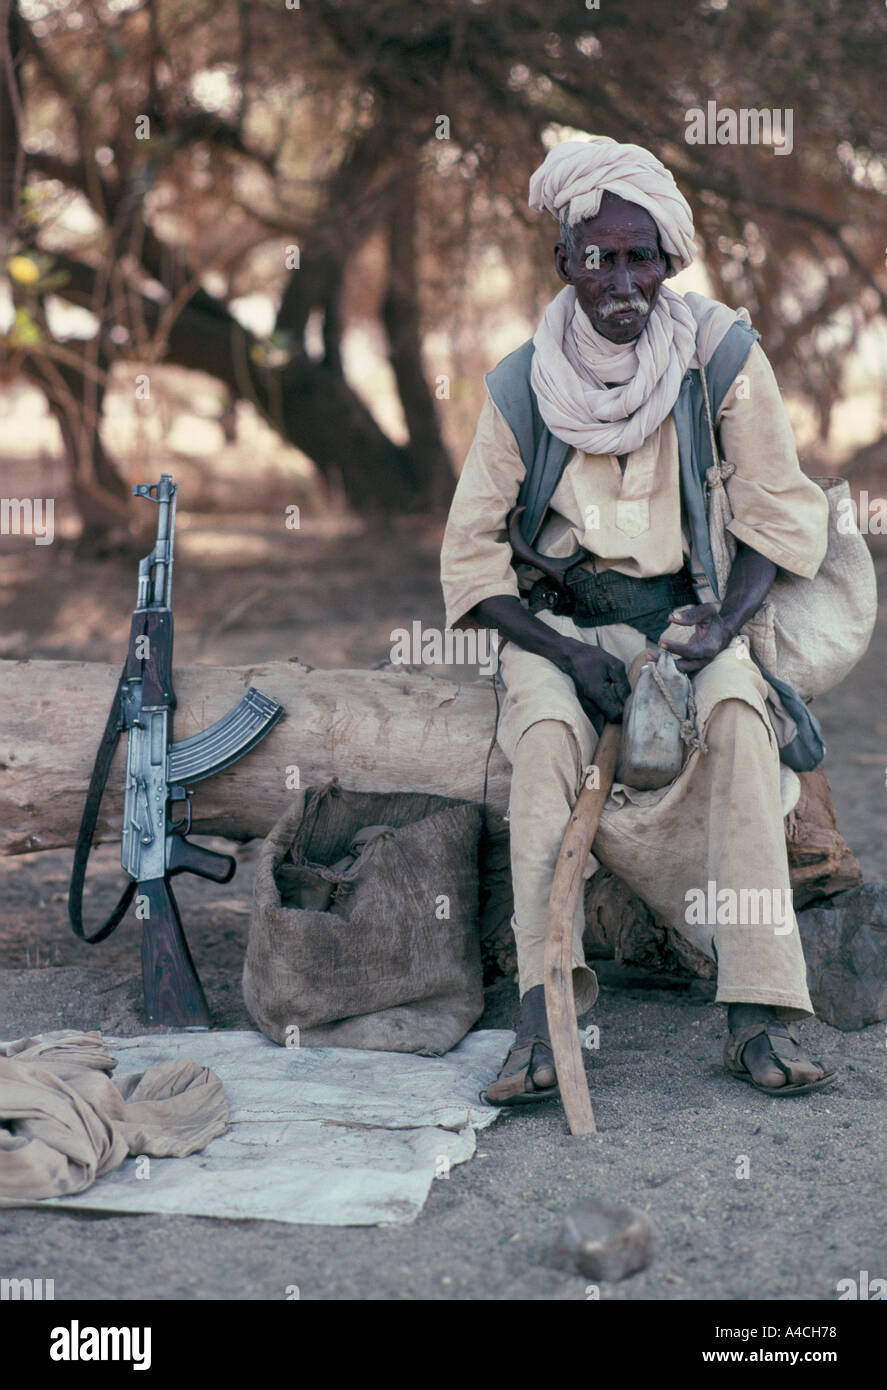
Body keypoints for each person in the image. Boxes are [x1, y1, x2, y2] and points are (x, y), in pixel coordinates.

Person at [440, 137, 836, 1105]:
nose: (621, 278)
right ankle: (542, 1021)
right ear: (563, 262)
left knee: (741, 727)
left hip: (688, 617)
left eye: (640, 256)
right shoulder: (517, 385)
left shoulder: (719, 358)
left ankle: (759, 1012)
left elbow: (777, 512)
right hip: (558, 632)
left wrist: (718, 626)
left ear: (668, 262)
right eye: (599, 256)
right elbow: (471, 559)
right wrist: (563, 655)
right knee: (540, 748)